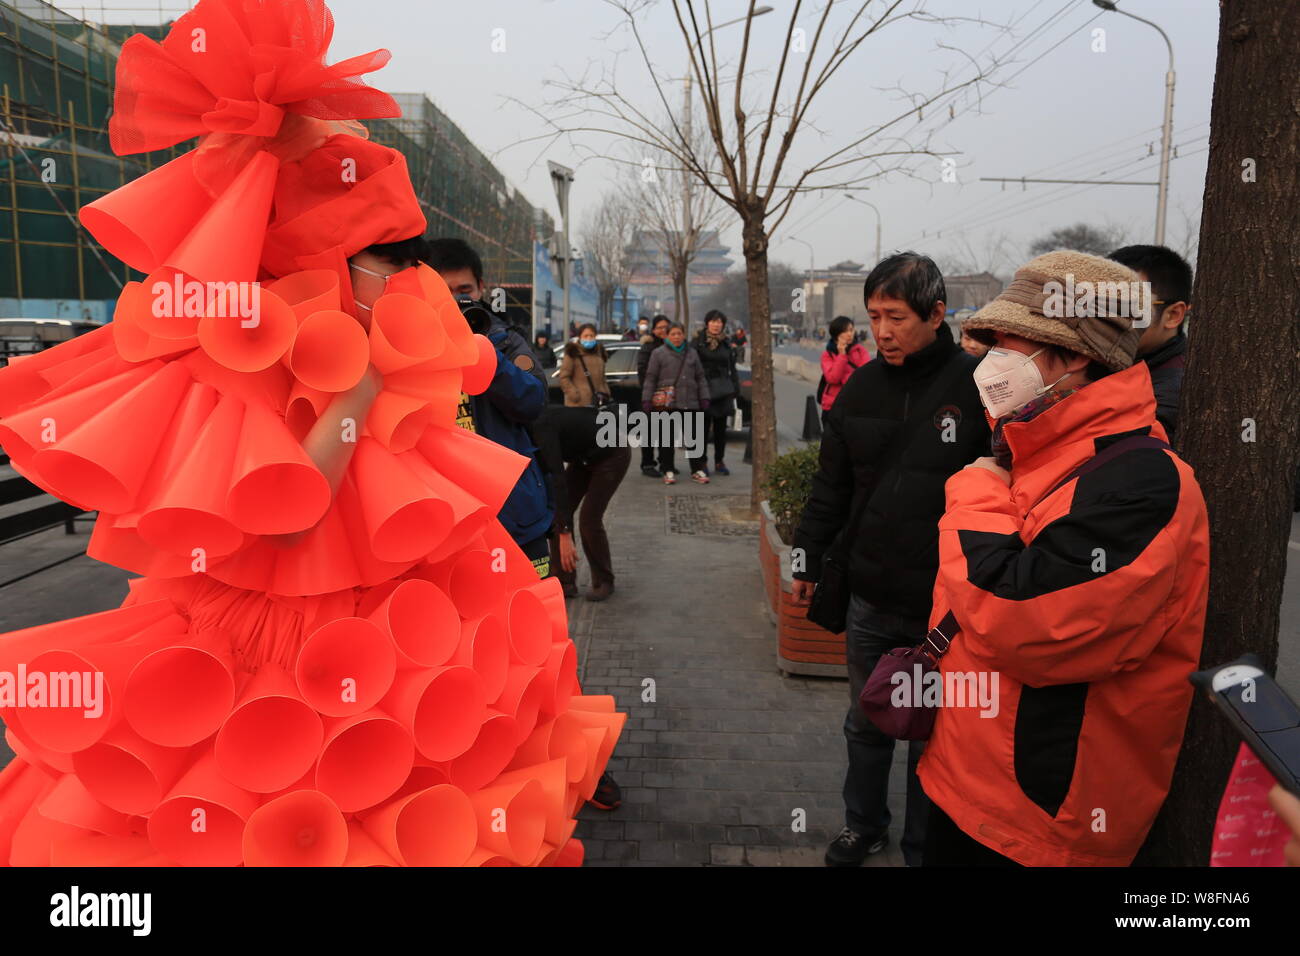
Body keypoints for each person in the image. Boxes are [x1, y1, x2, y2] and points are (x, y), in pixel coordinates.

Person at [0, 0, 618, 868]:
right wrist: (362, 390)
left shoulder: (321, 335)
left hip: (379, 619)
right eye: (381, 257)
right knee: (279, 808)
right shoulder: (250, 355)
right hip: (275, 648)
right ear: (326, 257)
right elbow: (290, 513)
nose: (402, 276)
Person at [916, 250, 1210, 867]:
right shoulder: (1040, 448)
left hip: (1040, 821)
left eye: (1008, 342)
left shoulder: (1141, 483)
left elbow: (1023, 620)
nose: (990, 359)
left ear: (1074, 355)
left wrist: (973, 490)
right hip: (965, 779)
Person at [790, 252, 990, 867]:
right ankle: (864, 824)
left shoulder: (976, 386)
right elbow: (831, 488)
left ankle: (922, 846)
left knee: (936, 737)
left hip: (944, 606)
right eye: (874, 316)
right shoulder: (860, 388)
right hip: (871, 593)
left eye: (896, 316)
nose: (882, 331)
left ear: (937, 314)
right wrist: (806, 559)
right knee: (867, 722)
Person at [424, 237, 553, 577]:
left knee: (532, 619)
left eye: (464, 289)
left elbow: (534, 402)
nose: (456, 300)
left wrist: (482, 354)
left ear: (481, 288)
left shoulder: (507, 342)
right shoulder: (412, 344)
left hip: (514, 516)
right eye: (444, 290)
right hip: (447, 520)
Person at [537, 405, 631, 603]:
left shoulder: (540, 425)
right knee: (559, 514)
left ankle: (604, 580)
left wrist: (565, 532)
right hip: (583, 457)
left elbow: (557, 478)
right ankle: (565, 581)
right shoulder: (529, 424)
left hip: (612, 453)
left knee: (589, 519)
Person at [1107, 244, 1193, 441]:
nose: (1108, 317)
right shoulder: (1102, 365)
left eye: (1127, 306)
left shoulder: (1172, 396)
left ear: (1173, 315)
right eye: (1101, 303)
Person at [641, 323, 710, 485]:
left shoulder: (692, 353)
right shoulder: (658, 353)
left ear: (684, 335)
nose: (677, 337)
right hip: (667, 403)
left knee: (694, 438)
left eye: (679, 333)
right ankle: (668, 470)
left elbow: (700, 377)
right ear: (667, 336)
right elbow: (650, 378)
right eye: (673, 334)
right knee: (667, 439)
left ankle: (697, 469)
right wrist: (646, 399)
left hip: (690, 401)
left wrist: (704, 397)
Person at [693, 310, 741, 475]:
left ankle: (719, 461)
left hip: (722, 390)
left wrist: (735, 388)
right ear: (707, 323)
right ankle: (702, 462)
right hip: (704, 390)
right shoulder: (697, 343)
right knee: (702, 430)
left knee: (721, 430)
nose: (716, 325)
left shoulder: (726, 344)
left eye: (719, 322)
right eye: (713, 321)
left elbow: (732, 368)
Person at [636, 314, 671, 477]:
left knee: (667, 431)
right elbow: (643, 372)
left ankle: (666, 463)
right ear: (653, 329)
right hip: (652, 394)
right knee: (649, 431)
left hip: (669, 396)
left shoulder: (673, 346)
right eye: (659, 327)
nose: (663, 330)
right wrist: (651, 393)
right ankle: (647, 464)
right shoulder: (648, 347)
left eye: (666, 327)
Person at [818, 314, 870, 420]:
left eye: (851, 330)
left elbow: (864, 377)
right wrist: (842, 355)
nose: (850, 334)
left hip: (856, 406)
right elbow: (833, 379)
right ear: (836, 334)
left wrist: (844, 378)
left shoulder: (860, 351)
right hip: (832, 406)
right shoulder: (827, 355)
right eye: (845, 331)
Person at [557, 323, 611, 408]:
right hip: (578, 404)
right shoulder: (573, 353)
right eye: (585, 336)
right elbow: (564, 377)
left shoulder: (599, 353)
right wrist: (574, 394)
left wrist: (606, 391)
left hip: (598, 402)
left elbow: (602, 377)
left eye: (591, 335)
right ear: (580, 337)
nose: (589, 338)